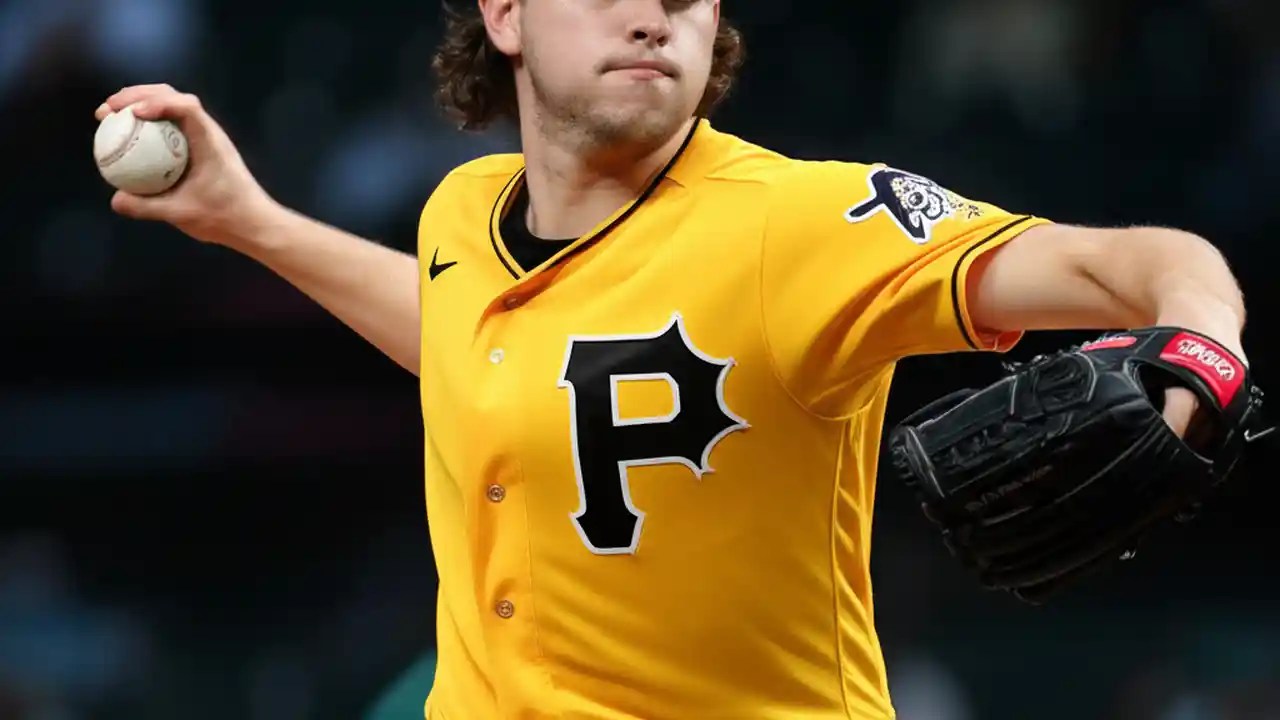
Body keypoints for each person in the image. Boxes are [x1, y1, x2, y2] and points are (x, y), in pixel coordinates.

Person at [94, 1, 1248, 718]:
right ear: (504, 14)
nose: (652, 15)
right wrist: (248, 220)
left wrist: (1196, 346)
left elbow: (1133, 259)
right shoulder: (463, 212)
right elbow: (477, 347)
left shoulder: (794, 225)